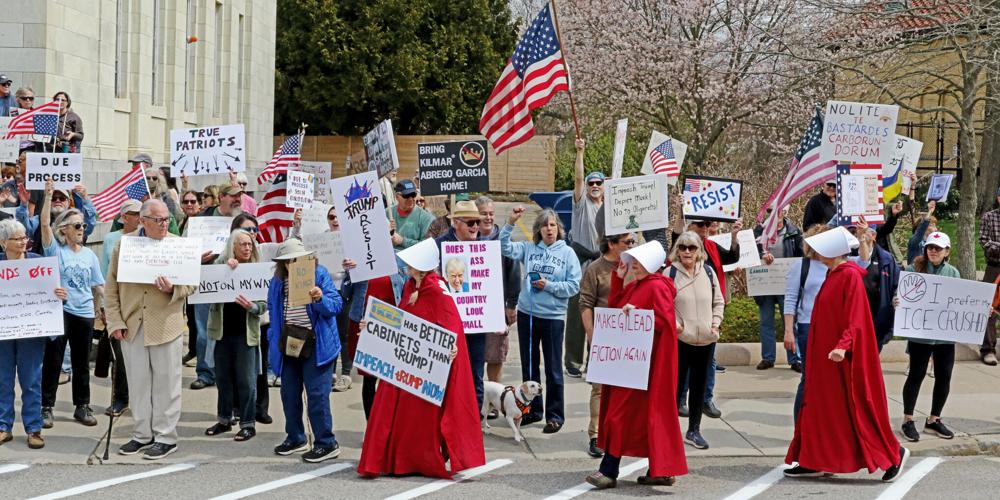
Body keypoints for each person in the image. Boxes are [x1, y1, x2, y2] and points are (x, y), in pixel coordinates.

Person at [783, 226, 909, 482]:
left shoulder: (849, 276)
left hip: (840, 358)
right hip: (823, 359)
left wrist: (842, 345)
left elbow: (855, 318)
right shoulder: (833, 274)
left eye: (820, 248)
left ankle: (894, 454)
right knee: (821, 410)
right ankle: (815, 459)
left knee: (858, 408)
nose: (815, 252)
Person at [358, 238, 485, 479]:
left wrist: (453, 347)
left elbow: (452, 324)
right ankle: (394, 460)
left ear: (421, 266)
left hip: (426, 368)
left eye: (411, 262)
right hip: (405, 362)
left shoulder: (437, 290)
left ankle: (412, 460)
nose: (406, 265)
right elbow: (401, 320)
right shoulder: (410, 286)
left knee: (417, 418)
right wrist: (372, 324)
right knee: (392, 410)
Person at [585, 241, 687, 490]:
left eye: (639, 263)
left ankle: (609, 470)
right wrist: (619, 280)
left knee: (623, 415)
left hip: (645, 367)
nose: (634, 266)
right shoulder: (640, 285)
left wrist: (641, 313)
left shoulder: (656, 287)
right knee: (642, 417)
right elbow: (617, 306)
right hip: (633, 365)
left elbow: (665, 322)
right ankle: (659, 470)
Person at [105, 199, 196, 460]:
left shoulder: (178, 246)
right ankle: (142, 434)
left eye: (166, 219)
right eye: (158, 220)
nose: (164, 224)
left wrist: (174, 289)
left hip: (166, 324)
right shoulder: (125, 245)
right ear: (142, 220)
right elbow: (111, 285)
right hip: (132, 324)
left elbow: (191, 283)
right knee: (138, 383)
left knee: (167, 383)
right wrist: (115, 321)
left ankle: (166, 437)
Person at [501, 207, 582, 434]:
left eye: (553, 225)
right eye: (545, 225)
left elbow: (574, 285)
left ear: (559, 229)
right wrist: (510, 222)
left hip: (553, 318)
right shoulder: (529, 248)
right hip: (528, 314)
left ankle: (555, 416)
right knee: (529, 365)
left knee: (554, 369)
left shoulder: (567, 253)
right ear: (538, 229)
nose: (549, 229)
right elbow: (504, 247)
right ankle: (532, 410)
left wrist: (549, 286)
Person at [267, 238, 344, 463]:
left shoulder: (319, 274)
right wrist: (274, 340)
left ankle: (326, 442)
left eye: (296, 259)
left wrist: (320, 298)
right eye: (287, 260)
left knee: (317, 395)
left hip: (317, 343)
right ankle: (296, 437)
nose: (292, 263)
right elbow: (273, 311)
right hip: (290, 342)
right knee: (289, 393)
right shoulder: (277, 281)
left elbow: (336, 305)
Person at [38, 182, 105, 428]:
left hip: (85, 313)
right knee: (53, 361)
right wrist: (46, 196)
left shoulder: (89, 255)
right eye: (77, 225)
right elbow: (45, 224)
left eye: (83, 225)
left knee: (80, 363)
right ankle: (46, 407)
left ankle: (82, 405)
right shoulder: (56, 251)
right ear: (64, 229)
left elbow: (99, 285)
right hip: (61, 312)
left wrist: (106, 308)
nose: (81, 229)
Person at [0, 219, 67, 449]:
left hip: (32, 331)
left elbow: (57, 292)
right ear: (3, 242)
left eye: (24, 238)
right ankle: (3, 426)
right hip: (4, 333)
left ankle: (33, 429)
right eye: (17, 239)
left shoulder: (39, 263)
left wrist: (59, 293)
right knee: (3, 381)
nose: (23, 242)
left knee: (31, 381)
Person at [671, 214, 742, 419]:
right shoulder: (679, 255)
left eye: (708, 224)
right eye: (700, 224)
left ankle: (704, 399)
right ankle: (681, 399)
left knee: (708, 362)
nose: (705, 228)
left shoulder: (711, 247)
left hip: (708, 313)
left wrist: (735, 236)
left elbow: (731, 257)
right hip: (685, 320)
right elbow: (677, 237)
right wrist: (679, 210)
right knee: (683, 365)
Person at [204, 230, 267, 441]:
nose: (248, 248)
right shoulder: (222, 267)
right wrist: (224, 267)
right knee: (223, 379)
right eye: (243, 245)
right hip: (222, 333)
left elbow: (264, 304)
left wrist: (253, 307)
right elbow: (206, 282)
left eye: (250, 245)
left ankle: (248, 423)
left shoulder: (256, 271)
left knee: (247, 381)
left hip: (245, 335)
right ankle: (224, 420)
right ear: (233, 246)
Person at [898, 231, 960, 442]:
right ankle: (907, 419)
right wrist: (897, 302)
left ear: (947, 251)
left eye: (938, 248)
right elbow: (900, 296)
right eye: (930, 247)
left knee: (944, 376)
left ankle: (934, 420)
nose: (933, 251)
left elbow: (961, 300)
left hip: (944, 337)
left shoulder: (953, 273)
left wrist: (979, 309)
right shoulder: (912, 269)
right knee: (916, 374)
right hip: (920, 335)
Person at [579, 233, 634, 458]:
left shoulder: (635, 266)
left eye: (632, 242)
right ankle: (596, 436)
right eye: (627, 242)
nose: (631, 246)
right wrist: (592, 335)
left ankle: (622, 434)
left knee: (627, 389)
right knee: (600, 389)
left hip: (631, 338)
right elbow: (585, 303)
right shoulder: (595, 269)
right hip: (604, 336)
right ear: (611, 244)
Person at [668, 232, 724, 450]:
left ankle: (694, 430)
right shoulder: (670, 273)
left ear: (700, 250)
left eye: (692, 247)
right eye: (682, 247)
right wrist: (675, 325)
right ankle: (670, 432)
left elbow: (718, 301)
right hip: (681, 340)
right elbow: (663, 304)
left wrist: (715, 324)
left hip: (706, 340)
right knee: (676, 388)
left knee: (699, 387)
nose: (687, 251)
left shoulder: (708, 272)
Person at [190, 184, 245, 390]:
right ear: (221, 197)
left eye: (240, 196)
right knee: (204, 330)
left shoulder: (243, 220)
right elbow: (186, 250)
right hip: (206, 280)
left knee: (233, 330)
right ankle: (205, 373)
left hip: (234, 281)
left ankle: (229, 373)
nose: (237, 199)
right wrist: (198, 258)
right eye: (232, 196)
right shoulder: (201, 219)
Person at [435, 200, 487, 412]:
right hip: (447, 323)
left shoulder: (485, 246)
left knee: (475, 374)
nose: (476, 227)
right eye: (471, 222)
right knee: (445, 373)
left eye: (478, 222)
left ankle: (473, 421)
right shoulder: (438, 246)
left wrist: (500, 309)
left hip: (476, 325)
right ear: (456, 223)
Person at [98, 200, 141, 417]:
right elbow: (106, 274)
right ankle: (120, 399)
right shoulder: (111, 240)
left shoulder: (149, 238)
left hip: (142, 303)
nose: (139, 217)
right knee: (120, 357)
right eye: (135, 213)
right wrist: (106, 307)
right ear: (124, 217)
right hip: (119, 303)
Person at [565, 138, 604, 379]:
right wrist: (580, 152)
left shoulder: (611, 207)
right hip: (581, 266)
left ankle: (596, 360)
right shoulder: (581, 205)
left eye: (599, 182)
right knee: (578, 315)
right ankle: (572, 361)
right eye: (592, 182)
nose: (595, 185)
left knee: (601, 315)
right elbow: (578, 179)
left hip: (604, 267)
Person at [475, 196, 521, 390]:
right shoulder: (468, 238)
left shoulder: (502, 239)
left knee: (495, 356)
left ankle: (493, 400)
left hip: (497, 306)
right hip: (475, 307)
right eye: (483, 214)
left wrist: (511, 305)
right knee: (475, 355)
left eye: (491, 214)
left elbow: (514, 274)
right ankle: (476, 399)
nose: (488, 218)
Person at [754, 207, 804, 371]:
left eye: (780, 210)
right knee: (766, 322)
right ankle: (768, 358)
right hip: (764, 284)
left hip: (786, 284)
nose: (777, 213)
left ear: (785, 212)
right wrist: (762, 255)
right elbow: (750, 252)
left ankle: (794, 359)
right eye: (773, 210)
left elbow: (801, 255)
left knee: (790, 321)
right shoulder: (759, 230)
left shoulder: (794, 231)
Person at [979, 186, 1000, 366]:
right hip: (994, 266)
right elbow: (985, 242)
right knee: (988, 310)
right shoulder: (989, 217)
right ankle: (988, 349)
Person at [388, 179, 434, 250]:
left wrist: (402, 241)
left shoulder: (426, 218)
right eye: (406, 195)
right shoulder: (387, 213)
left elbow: (427, 247)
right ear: (397, 196)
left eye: (413, 195)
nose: (410, 199)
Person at [906, 200, 937, 264]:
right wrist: (930, 211)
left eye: (935, 226)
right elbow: (921, 229)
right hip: (915, 273)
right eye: (932, 225)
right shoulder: (915, 242)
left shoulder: (931, 243)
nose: (936, 229)